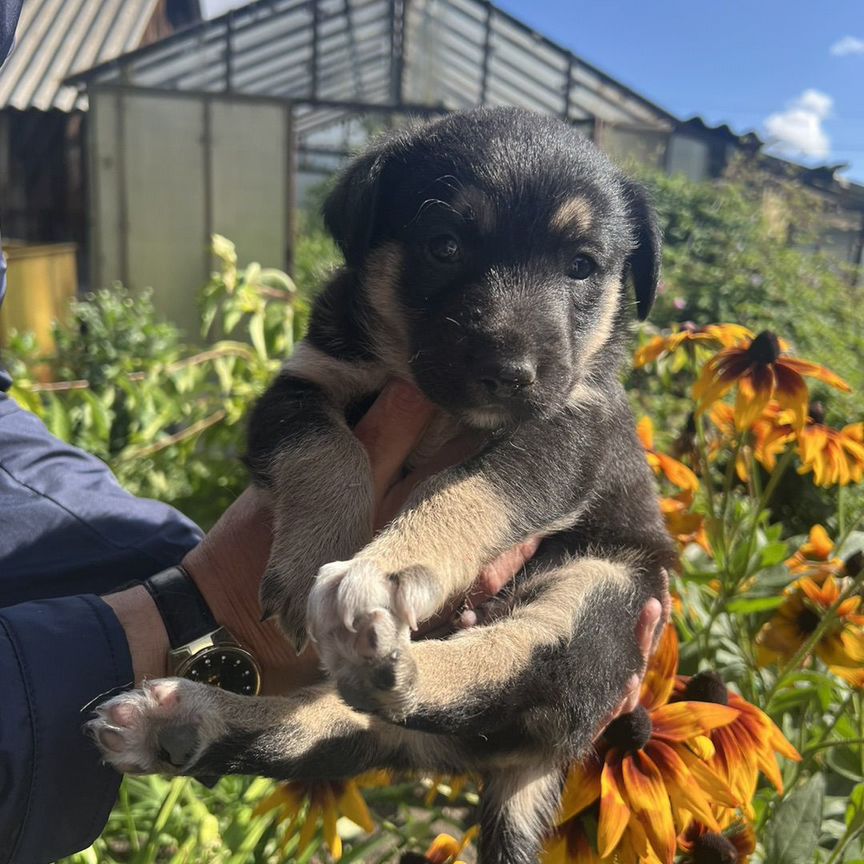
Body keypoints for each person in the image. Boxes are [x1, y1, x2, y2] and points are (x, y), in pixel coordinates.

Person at [0, 5, 661, 860]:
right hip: (372, 678)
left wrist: (400, 574)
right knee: (351, 708)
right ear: (366, 244)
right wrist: (311, 516)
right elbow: (293, 418)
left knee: (605, 584)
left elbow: (536, 477)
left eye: (578, 269)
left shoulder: (577, 400)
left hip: (537, 648)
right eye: (446, 244)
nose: (515, 340)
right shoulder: (350, 335)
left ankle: (407, 684)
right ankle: (267, 719)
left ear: (622, 280)